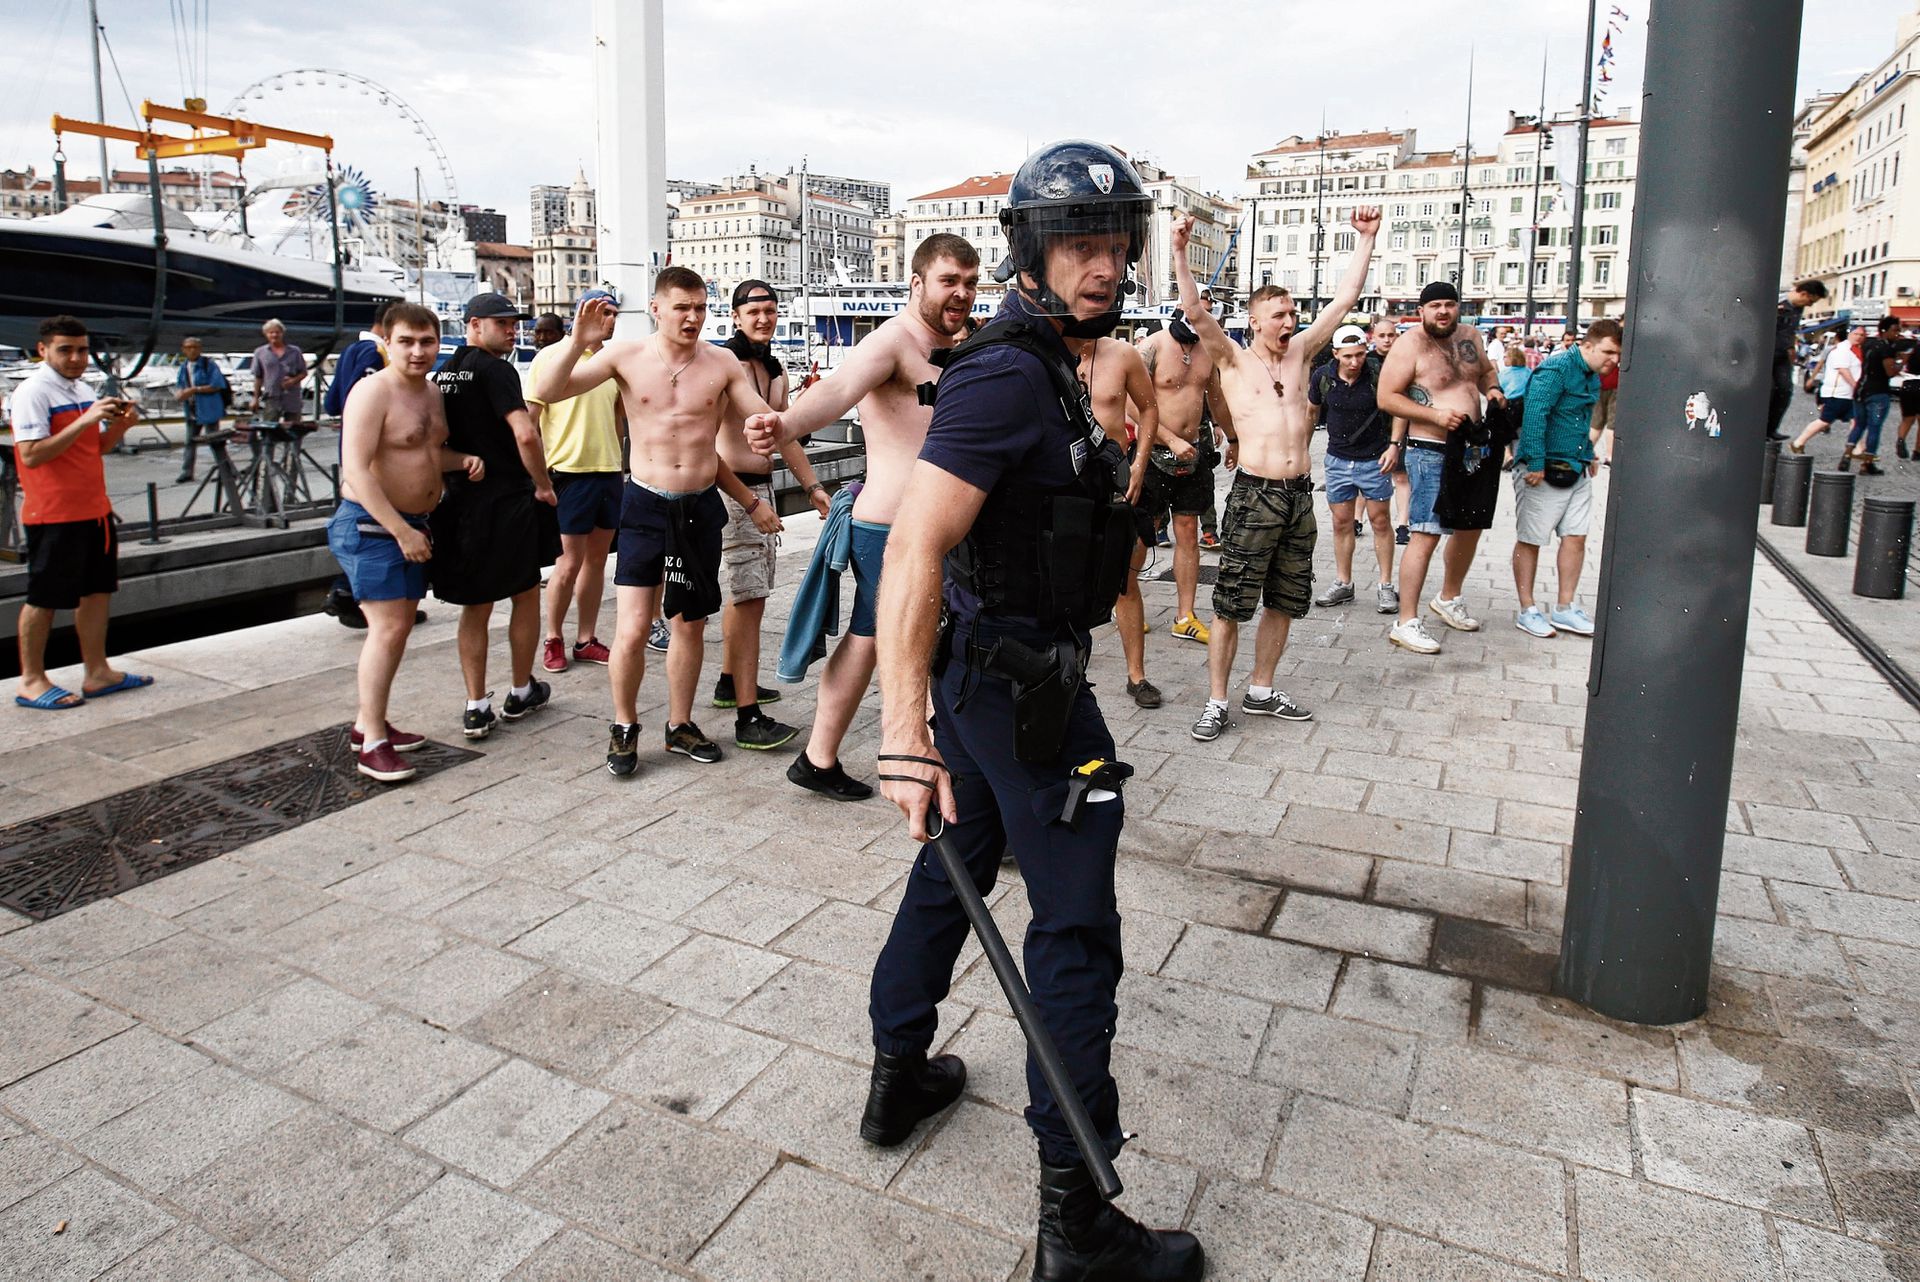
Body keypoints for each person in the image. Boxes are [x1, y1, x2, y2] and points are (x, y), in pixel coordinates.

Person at [866, 140, 1203, 1282]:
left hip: (989, 675)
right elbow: (913, 546)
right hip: (1024, 699)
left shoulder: (1065, 362)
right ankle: (1080, 1221)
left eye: (1115, 241)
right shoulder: (1010, 375)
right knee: (1074, 926)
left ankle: (898, 1071)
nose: (1101, 264)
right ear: (1032, 251)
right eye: (1076, 243)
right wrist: (901, 738)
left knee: (954, 860)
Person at [747, 236, 982, 798]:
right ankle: (933, 773)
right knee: (903, 639)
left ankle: (821, 757)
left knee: (876, 637)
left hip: (937, 523)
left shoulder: (962, 342)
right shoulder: (893, 342)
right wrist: (784, 425)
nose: (962, 294)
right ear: (917, 282)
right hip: (890, 528)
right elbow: (836, 389)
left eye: (971, 284)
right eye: (950, 281)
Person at [533, 268, 780, 775]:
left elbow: (763, 415)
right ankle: (624, 726)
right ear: (656, 308)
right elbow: (551, 390)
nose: (692, 317)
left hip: (697, 508)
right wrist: (577, 341)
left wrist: (769, 431)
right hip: (645, 504)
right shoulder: (625, 357)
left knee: (690, 624)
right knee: (630, 628)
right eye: (682, 307)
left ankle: (681, 723)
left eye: (700, 308)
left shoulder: (722, 363)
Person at [1176, 206, 1381, 742]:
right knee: (1231, 605)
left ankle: (1262, 690)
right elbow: (1195, 311)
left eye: (1293, 314)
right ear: (1255, 322)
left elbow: (1344, 302)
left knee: (1286, 599)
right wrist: (1178, 248)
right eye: (1280, 316)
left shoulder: (1305, 355)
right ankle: (1217, 699)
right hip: (1254, 496)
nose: (1290, 322)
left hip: (1297, 497)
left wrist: (1366, 240)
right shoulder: (1233, 359)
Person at [328, 303, 479, 782]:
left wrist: (463, 461)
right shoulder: (372, 392)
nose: (418, 352)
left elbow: (423, 452)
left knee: (396, 629)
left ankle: (368, 723)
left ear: (440, 343)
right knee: (388, 629)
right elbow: (354, 470)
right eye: (407, 342)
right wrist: (400, 529)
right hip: (375, 526)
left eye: (427, 342)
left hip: (414, 523)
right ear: (386, 344)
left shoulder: (431, 393)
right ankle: (372, 741)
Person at [430, 293, 559, 739]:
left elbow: (434, 444)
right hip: (506, 499)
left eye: (513, 323)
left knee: (475, 604)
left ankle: (476, 704)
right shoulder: (498, 370)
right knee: (524, 594)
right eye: (501, 323)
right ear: (474, 323)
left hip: (461, 501)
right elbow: (525, 433)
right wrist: (543, 484)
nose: (511, 330)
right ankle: (521, 689)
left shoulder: (442, 375)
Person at [9, 315, 150, 710]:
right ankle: (32, 680)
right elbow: (32, 455)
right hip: (54, 514)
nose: (76, 358)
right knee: (44, 597)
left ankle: (97, 671)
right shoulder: (32, 393)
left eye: (82, 350)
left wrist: (122, 427)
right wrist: (87, 419)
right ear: (43, 350)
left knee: (97, 593)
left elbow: (95, 448)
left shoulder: (82, 388)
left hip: (94, 511)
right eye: (65, 350)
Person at [712, 280, 828, 751]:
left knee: (747, 596)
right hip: (737, 495)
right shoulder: (727, 368)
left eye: (771, 310)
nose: (764, 318)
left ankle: (729, 681)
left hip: (762, 490)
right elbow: (705, 447)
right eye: (754, 310)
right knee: (750, 600)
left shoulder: (774, 369)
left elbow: (784, 435)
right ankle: (747, 715)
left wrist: (813, 487)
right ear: (736, 316)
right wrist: (749, 502)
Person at [1375, 282, 1508, 654]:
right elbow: (1386, 397)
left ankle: (1449, 598)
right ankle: (1406, 621)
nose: (1443, 311)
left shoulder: (1470, 336)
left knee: (1470, 528)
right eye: (1435, 305)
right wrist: (1434, 414)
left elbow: (1484, 372)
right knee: (1426, 532)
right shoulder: (1409, 345)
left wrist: (1493, 389)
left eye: (1450, 304)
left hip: (1472, 447)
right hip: (1430, 449)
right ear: (1422, 310)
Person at [525, 292, 624, 678]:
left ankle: (585, 638)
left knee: (597, 562)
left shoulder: (610, 364)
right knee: (567, 563)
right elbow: (530, 420)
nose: (611, 320)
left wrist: (620, 465)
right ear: (583, 314)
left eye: (615, 313)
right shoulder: (550, 358)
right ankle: (553, 637)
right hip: (568, 472)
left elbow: (617, 420)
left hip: (607, 471)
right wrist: (538, 477)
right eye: (604, 313)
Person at [1511, 319, 1622, 640]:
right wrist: (1534, 461)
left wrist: (1589, 452)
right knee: (1531, 538)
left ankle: (1564, 607)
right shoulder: (1556, 369)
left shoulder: (1592, 376)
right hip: (1542, 468)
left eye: (1617, 353)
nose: (1613, 359)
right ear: (1587, 345)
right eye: (1608, 351)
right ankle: (1528, 609)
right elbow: (1535, 413)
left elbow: (1581, 418)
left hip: (1576, 466)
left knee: (1575, 536)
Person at [1069, 327, 1161, 706]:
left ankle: (1136, 676)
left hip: (1115, 480)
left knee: (1125, 579)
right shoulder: (1049, 354)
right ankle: (1066, 669)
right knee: (1066, 579)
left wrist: (1138, 465)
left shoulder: (1123, 354)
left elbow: (1150, 409)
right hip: (1067, 483)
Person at [1138, 310, 1235, 647]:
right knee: (1140, 533)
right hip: (1151, 452)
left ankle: (1184, 616)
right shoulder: (1151, 347)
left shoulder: (1207, 351)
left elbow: (1217, 399)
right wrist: (1169, 439)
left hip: (1191, 455)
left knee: (1189, 532)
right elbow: (1132, 405)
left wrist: (1234, 437)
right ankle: (1127, 606)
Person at [1309, 324, 1398, 616]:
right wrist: (1303, 451)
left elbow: (1398, 409)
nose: (1354, 362)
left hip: (1375, 459)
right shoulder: (1323, 377)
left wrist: (1395, 445)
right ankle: (1343, 582)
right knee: (1341, 523)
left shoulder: (1377, 373)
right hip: (1337, 460)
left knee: (1380, 521)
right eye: (1347, 356)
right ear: (1335, 354)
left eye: (1360, 354)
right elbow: (1312, 412)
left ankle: (1385, 584)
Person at [321, 302, 394, 630]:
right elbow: (369, 399)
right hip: (375, 454)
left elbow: (332, 402)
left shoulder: (350, 350)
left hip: (350, 450)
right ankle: (347, 592)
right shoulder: (373, 354)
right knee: (379, 525)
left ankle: (348, 591)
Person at [1841, 316, 1902, 476]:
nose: (1897, 334)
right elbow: (1890, 372)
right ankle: (1867, 464)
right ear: (1885, 330)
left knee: (1859, 424)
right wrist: (1901, 363)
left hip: (1861, 389)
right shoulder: (1886, 349)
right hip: (1878, 392)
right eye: (1895, 330)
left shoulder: (1867, 344)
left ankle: (1847, 454)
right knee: (1874, 427)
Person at [1789, 326, 1863, 456]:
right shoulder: (1841, 351)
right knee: (1824, 420)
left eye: (1862, 335)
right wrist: (1856, 386)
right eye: (1856, 334)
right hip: (1837, 393)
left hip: (1847, 393)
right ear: (1849, 335)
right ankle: (1798, 443)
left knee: (1855, 419)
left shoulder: (1853, 350)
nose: (1859, 337)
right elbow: (1843, 370)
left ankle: (1858, 449)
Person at [1769, 279, 1828, 440]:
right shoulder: (1776, 301)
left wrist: (1791, 347)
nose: (1810, 305)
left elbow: (1790, 331)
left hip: (1783, 354)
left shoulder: (1798, 308)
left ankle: (1770, 429)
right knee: (1769, 391)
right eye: (1810, 300)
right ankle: (1759, 428)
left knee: (1785, 390)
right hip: (1767, 354)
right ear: (1804, 293)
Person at [1371, 316, 1413, 545]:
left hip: (1400, 426)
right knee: (1367, 473)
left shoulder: (1405, 361)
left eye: (1391, 335)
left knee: (1401, 475)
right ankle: (1358, 518)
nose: (1387, 340)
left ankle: (1403, 524)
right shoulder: (1366, 362)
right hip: (1372, 426)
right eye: (1382, 335)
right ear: (1373, 337)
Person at [172, 336, 228, 484]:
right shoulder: (184, 367)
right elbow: (180, 386)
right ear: (183, 350)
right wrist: (180, 394)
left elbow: (217, 385)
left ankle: (225, 469)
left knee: (214, 440)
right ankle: (187, 471)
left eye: (195, 347)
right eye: (189, 347)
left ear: (200, 349)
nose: (192, 350)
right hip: (192, 410)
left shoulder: (209, 365)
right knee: (190, 441)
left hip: (209, 408)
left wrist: (194, 390)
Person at [250, 319, 308, 427]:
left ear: (282, 333)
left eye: (277, 332)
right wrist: (255, 398)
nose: (274, 335)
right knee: (269, 429)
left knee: (294, 430)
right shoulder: (260, 352)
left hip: (292, 397)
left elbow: (304, 372)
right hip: (272, 397)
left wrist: (292, 381)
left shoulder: (295, 351)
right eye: (271, 332)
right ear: (266, 334)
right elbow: (258, 377)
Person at [1896, 338, 1920, 460]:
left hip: (1908, 384)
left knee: (1907, 418)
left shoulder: (1912, 349)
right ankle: (1917, 451)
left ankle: (1901, 439)